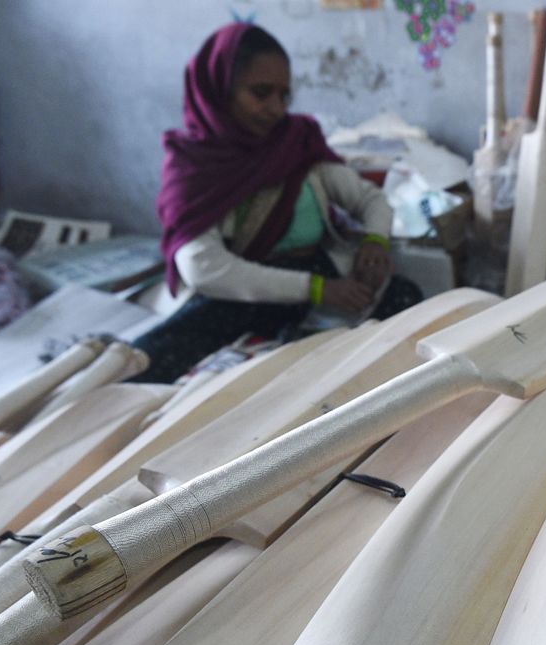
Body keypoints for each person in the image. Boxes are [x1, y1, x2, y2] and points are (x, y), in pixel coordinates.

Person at [132, 23, 422, 383]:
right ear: (220, 91)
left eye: (284, 96)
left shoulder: (296, 142)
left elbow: (370, 199)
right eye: (261, 93)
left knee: (405, 303)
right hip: (242, 290)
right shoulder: (194, 165)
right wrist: (313, 288)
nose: (275, 108)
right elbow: (202, 265)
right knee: (146, 362)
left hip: (316, 273)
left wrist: (374, 241)